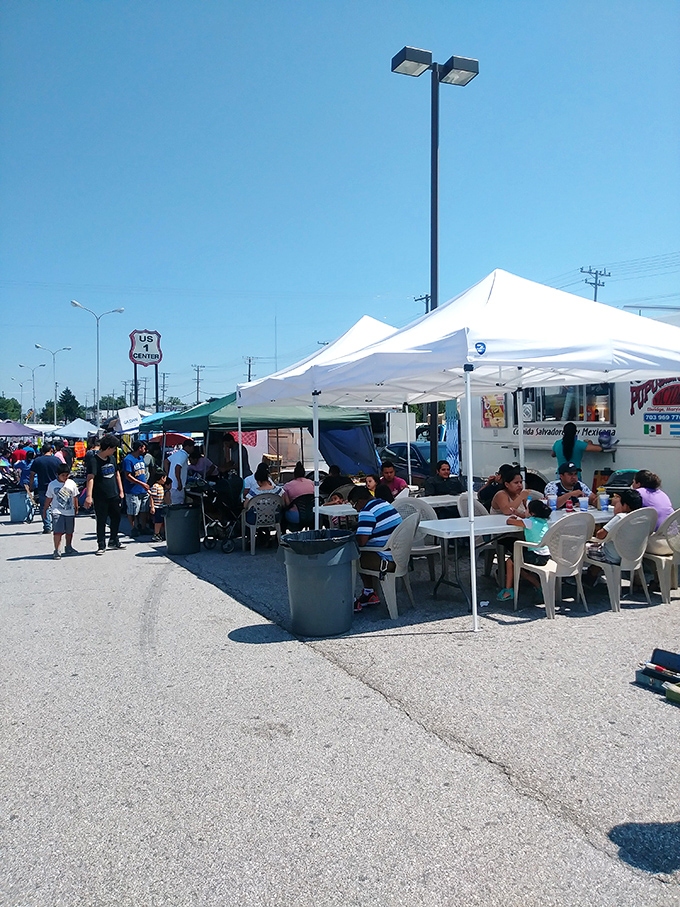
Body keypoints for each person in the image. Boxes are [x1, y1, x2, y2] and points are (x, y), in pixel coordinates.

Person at [348, 485, 402, 611]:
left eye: (354, 504)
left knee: (352, 557)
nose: (355, 509)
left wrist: (352, 536)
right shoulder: (384, 503)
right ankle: (369, 593)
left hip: (386, 560)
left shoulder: (367, 511)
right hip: (399, 555)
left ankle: (353, 598)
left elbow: (361, 541)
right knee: (363, 554)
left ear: (361, 501)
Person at [499, 499, 553, 601]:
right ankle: (538, 585)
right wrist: (518, 513)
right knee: (518, 565)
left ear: (531, 513)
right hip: (546, 555)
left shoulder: (529, 522)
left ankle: (508, 590)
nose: (525, 511)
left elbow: (510, 521)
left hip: (536, 554)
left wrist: (513, 517)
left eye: (526, 509)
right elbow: (527, 518)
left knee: (510, 562)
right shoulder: (543, 521)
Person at [585, 489, 643, 583]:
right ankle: (592, 575)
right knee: (602, 548)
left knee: (583, 548)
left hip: (612, 556)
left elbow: (600, 534)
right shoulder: (641, 518)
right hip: (632, 555)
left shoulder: (621, 517)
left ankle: (581, 579)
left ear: (625, 506)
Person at [85, 433, 125, 555]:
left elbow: (117, 474)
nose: (114, 451)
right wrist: (89, 496)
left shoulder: (112, 459)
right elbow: (90, 478)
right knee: (101, 520)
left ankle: (114, 539)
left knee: (116, 518)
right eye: (113, 449)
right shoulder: (94, 461)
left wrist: (121, 490)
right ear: (108, 448)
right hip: (100, 496)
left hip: (114, 494)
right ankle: (101, 544)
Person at [43, 464, 79, 559]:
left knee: (69, 531)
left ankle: (68, 546)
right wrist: (45, 509)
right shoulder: (52, 485)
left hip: (69, 511)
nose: (65, 477)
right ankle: (57, 549)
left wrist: (76, 507)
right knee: (58, 531)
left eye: (67, 475)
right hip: (57, 511)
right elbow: (49, 498)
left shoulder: (71, 483)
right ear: (57, 474)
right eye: (63, 475)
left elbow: (75, 497)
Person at [29, 443, 63, 533]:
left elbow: (32, 475)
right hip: (56, 486)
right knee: (57, 506)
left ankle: (47, 526)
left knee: (44, 507)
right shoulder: (56, 460)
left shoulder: (37, 461)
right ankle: (57, 525)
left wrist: (31, 485)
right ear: (51, 450)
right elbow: (62, 473)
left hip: (43, 487)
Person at [123, 440, 151, 536]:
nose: (145, 450)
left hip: (143, 489)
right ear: (139, 448)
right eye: (144, 448)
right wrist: (141, 483)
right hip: (132, 490)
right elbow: (128, 475)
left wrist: (145, 484)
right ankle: (133, 527)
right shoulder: (128, 459)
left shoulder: (141, 458)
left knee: (144, 509)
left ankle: (143, 527)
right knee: (133, 510)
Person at [281, 462, 314, 526]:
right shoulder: (311, 483)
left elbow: (286, 504)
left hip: (295, 516)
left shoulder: (287, 486)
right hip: (312, 515)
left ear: (294, 474)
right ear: (304, 473)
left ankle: (281, 534)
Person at [167, 438, 195, 505]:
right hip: (177, 486)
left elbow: (166, 461)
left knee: (172, 503)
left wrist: (168, 474)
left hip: (172, 484)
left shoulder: (178, 453)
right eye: (192, 447)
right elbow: (177, 467)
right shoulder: (183, 455)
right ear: (188, 447)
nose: (193, 449)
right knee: (177, 505)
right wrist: (179, 482)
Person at [149, 473, 170, 541]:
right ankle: (156, 534)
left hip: (161, 506)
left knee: (161, 521)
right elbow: (151, 497)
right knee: (158, 521)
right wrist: (152, 507)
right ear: (162, 478)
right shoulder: (155, 486)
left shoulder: (161, 487)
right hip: (156, 506)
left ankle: (160, 533)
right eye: (165, 478)